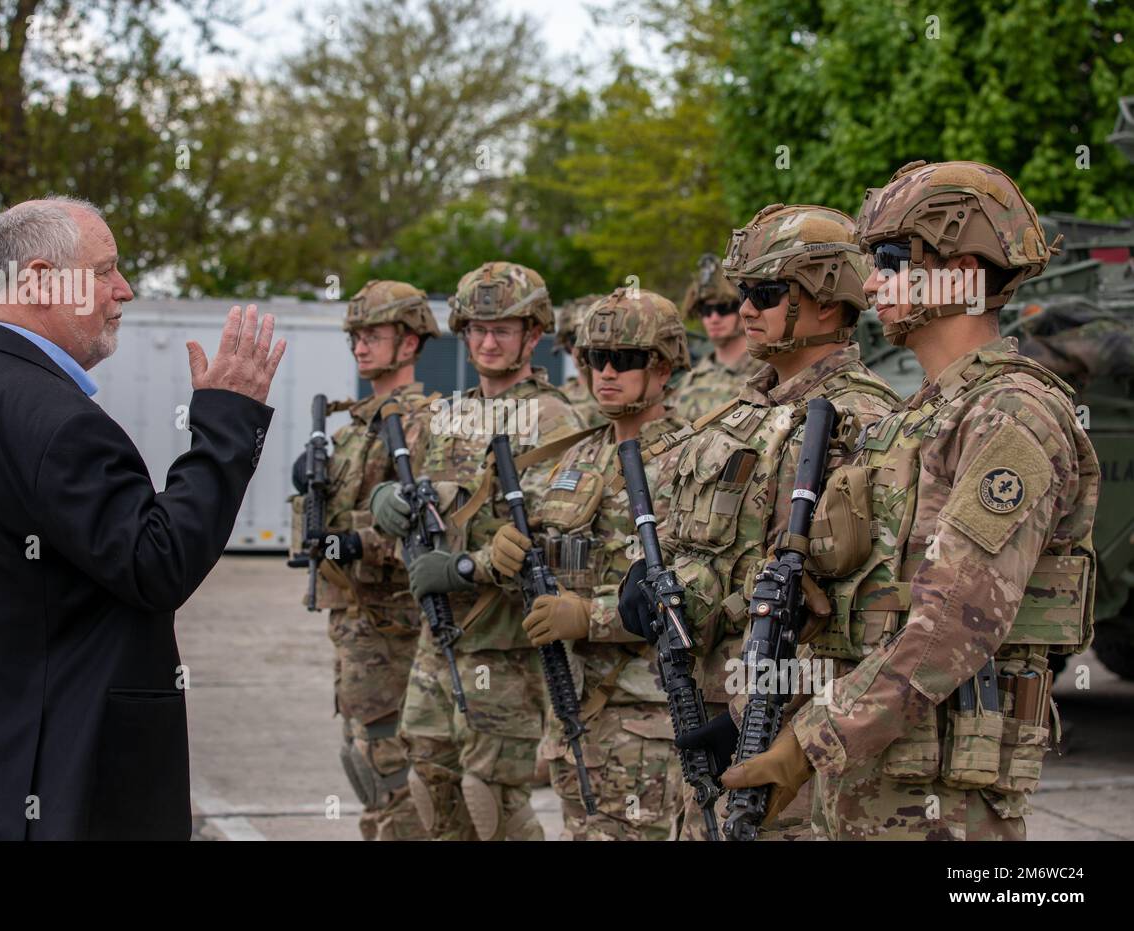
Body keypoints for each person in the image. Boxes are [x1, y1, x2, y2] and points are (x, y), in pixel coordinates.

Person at [0, 196, 286, 840]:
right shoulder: (55, 419)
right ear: (43, 279)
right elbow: (156, 564)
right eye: (106, 270)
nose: (123, 291)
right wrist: (226, 424)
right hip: (54, 795)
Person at [722, 161, 1100, 841]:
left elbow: (956, 623)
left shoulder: (1011, 415)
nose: (870, 283)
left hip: (943, 800)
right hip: (871, 785)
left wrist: (810, 743)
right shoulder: (910, 420)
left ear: (960, 267)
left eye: (892, 260)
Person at [617, 204, 900, 839]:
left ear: (828, 302)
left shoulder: (862, 425)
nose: (744, 309)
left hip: (785, 745)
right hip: (708, 719)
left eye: (767, 293)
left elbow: (859, 616)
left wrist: (791, 730)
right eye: (744, 291)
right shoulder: (741, 413)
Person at [368, 261, 583, 840]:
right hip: (440, 640)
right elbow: (427, 503)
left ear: (533, 335)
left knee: (493, 800)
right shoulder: (451, 413)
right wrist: (389, 500)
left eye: (504, 330)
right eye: (478, 330)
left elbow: (551, 538)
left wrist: (466, 567)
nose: (488, 342)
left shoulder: (555, 417)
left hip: (504, 645)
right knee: (429, 784)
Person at [492, 287, 693, 839]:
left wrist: (592, 616)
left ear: (665, 366)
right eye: (592, 359)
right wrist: (501, 554)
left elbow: (695, 593)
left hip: (645, 714)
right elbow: (543, 561)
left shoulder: (693, 460)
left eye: (624, 360)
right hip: (573, 705)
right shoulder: (575, 457)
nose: (605, 372)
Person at [288, 280, 440, 841]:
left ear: (410, 342)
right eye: (356, 335)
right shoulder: (354, 429)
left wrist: (356, 543)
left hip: (396, 630)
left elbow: (432, 527)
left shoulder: (423, 424)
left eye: (372, 335)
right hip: (353, 625)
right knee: (364, 760)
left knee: (396, 770)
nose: (360, 346)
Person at [674, 253, 760, 420]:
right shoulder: (690, 378)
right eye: (705, 310)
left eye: (724, 308)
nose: (714, 318)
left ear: (742, 308)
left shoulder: (766, 373)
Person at [553, 295, 605, 427]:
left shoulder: (637, 398)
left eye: (597, 339)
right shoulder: (554, 402)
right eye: (576, 339)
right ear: (567, 346)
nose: (586, 347)